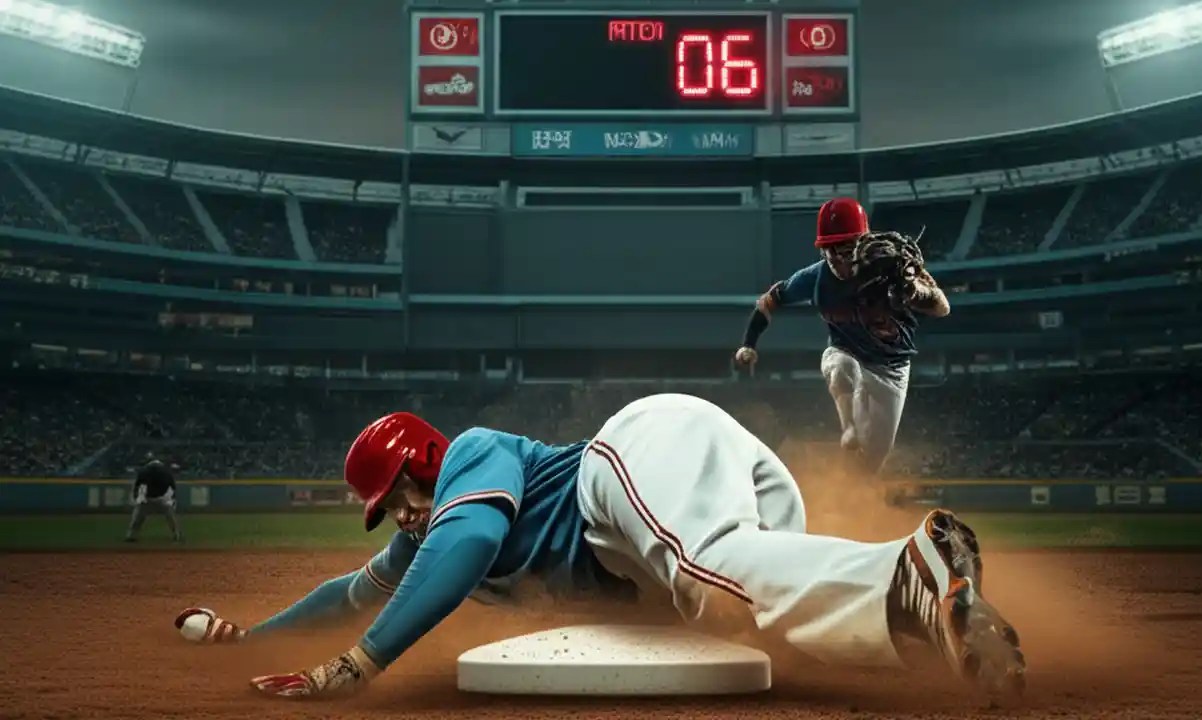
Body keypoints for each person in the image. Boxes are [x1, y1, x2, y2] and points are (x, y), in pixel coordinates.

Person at [175, 396, 1023, 700]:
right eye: (385, 510)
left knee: (707, 567)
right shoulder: (421, 536)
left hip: (631, 464)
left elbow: (469, 543)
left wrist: (358, 665)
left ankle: (906, 570)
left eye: (397, 495)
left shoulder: (470, 454)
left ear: (425, 461)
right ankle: (933, 625)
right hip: (674, 517)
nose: (397, 516)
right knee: (752, 617)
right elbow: (351, 592)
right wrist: (254, 639)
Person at [733, 197, 950, 476]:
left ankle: (852, 489)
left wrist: (914, 291)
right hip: (846, 352)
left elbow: (942, 308)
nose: (837, 258)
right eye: (829, 249)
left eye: (845, 249)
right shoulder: (815, 277)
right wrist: (749, 343)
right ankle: (848, 426)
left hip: (892, 370)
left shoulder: (892, 271)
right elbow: (768, 302)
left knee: (872, 461)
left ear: (862, 244)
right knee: (840, 366)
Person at [125, 457, 182, 542]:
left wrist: (136, 497)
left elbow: (137, 485)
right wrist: (172, 499)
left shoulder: (144, 471)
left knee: (137, 517)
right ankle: (176, 534)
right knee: (171, 517)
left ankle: (131, 535)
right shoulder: (166, 472)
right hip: (162, 499)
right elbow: (172, 487)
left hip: (147, 499)